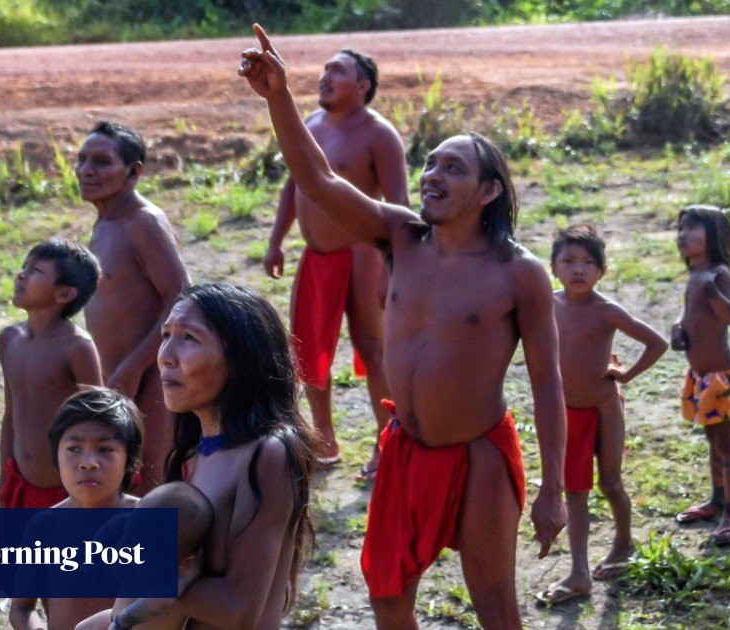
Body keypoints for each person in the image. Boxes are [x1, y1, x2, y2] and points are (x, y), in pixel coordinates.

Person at [240, 25, 566, 628]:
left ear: (489, 191)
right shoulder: (401, 238)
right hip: (405, 451)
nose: (432, 176)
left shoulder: (518, 273)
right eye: (431, 164)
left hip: (479, 458)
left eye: (453, 169)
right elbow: (319, 182)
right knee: (388, 600)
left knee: (495, 604)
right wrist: (278, 98)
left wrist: (552, 491)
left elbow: (547, 382)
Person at [95, 282, 315, 629]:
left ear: (240, 359)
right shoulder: (198, 451)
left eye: (189, 339)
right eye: (166, 334)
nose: (166, 355)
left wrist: (147, 570)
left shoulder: (267, 455)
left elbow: (238, 610)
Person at [262, 47, 407, 477]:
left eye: (338, 71)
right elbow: (295, 183)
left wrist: (393, 267)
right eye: (325, 68)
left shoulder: (380, 135)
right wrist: (276, 241)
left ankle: (387, 445)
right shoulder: (309, 124)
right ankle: (323, 442)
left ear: (362, 87)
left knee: (373, 349)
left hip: (364, 256)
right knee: (307, 353)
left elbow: (399, 205)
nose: (325, 76)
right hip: (316, 257)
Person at [535, 225, 667, 605]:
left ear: (602, 269)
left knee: (610, 483)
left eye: (588, 262)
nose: (579, 269)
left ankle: (623, 543)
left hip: (604, 407)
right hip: (566, 414)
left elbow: (656, 343)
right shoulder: (546, 305)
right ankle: (579, 572)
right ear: (554, 267)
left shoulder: (606, 311)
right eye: (569, 261)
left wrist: (626, 374)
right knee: (575, 492)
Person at [78, 121, 191, 494]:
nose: (86, 171)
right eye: (82, 160)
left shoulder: (142, 222)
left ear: (134, 171)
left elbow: (181, 297)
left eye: (101, 161)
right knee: (124, 481)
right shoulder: (106, 221)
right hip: (122, 377)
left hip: (154, 374)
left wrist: (133, 368)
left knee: (156, 482)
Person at [9, 387, 143, 630]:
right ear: (55, 457)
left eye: (105, 450)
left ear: (130, 459)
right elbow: (21, 609)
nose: (88, 463)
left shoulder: (144, 522)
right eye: (74, 449)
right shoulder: (44, 526)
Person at [671, 205, 730, 547]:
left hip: (721, 377)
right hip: (701, 376)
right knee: (713, 442)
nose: (683, 236)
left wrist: (712, 291)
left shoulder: (717, 274)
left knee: (726, 445)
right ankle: (716, 500)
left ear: (715, 236)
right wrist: (680, 326)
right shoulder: (695, 274)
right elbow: (690, 310)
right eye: (681, 229)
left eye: (693, 229)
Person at [0, 239, 103, 509]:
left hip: (70, 493)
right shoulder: (9, 339)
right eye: (24, 267)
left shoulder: (76, 347)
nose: (21, 274)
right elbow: (11, 416)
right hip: (21, 484)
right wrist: (4, 486)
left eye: (35, 271)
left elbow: (100, 419)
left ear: (65, 294)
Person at [74, 481, 215, 630]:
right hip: (114, 619)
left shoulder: (184, 574)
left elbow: (156, 603)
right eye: (129, 538)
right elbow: (113, 526)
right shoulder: (137, 522)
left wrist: (121, 623)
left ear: (183, 562)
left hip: (129, 622)